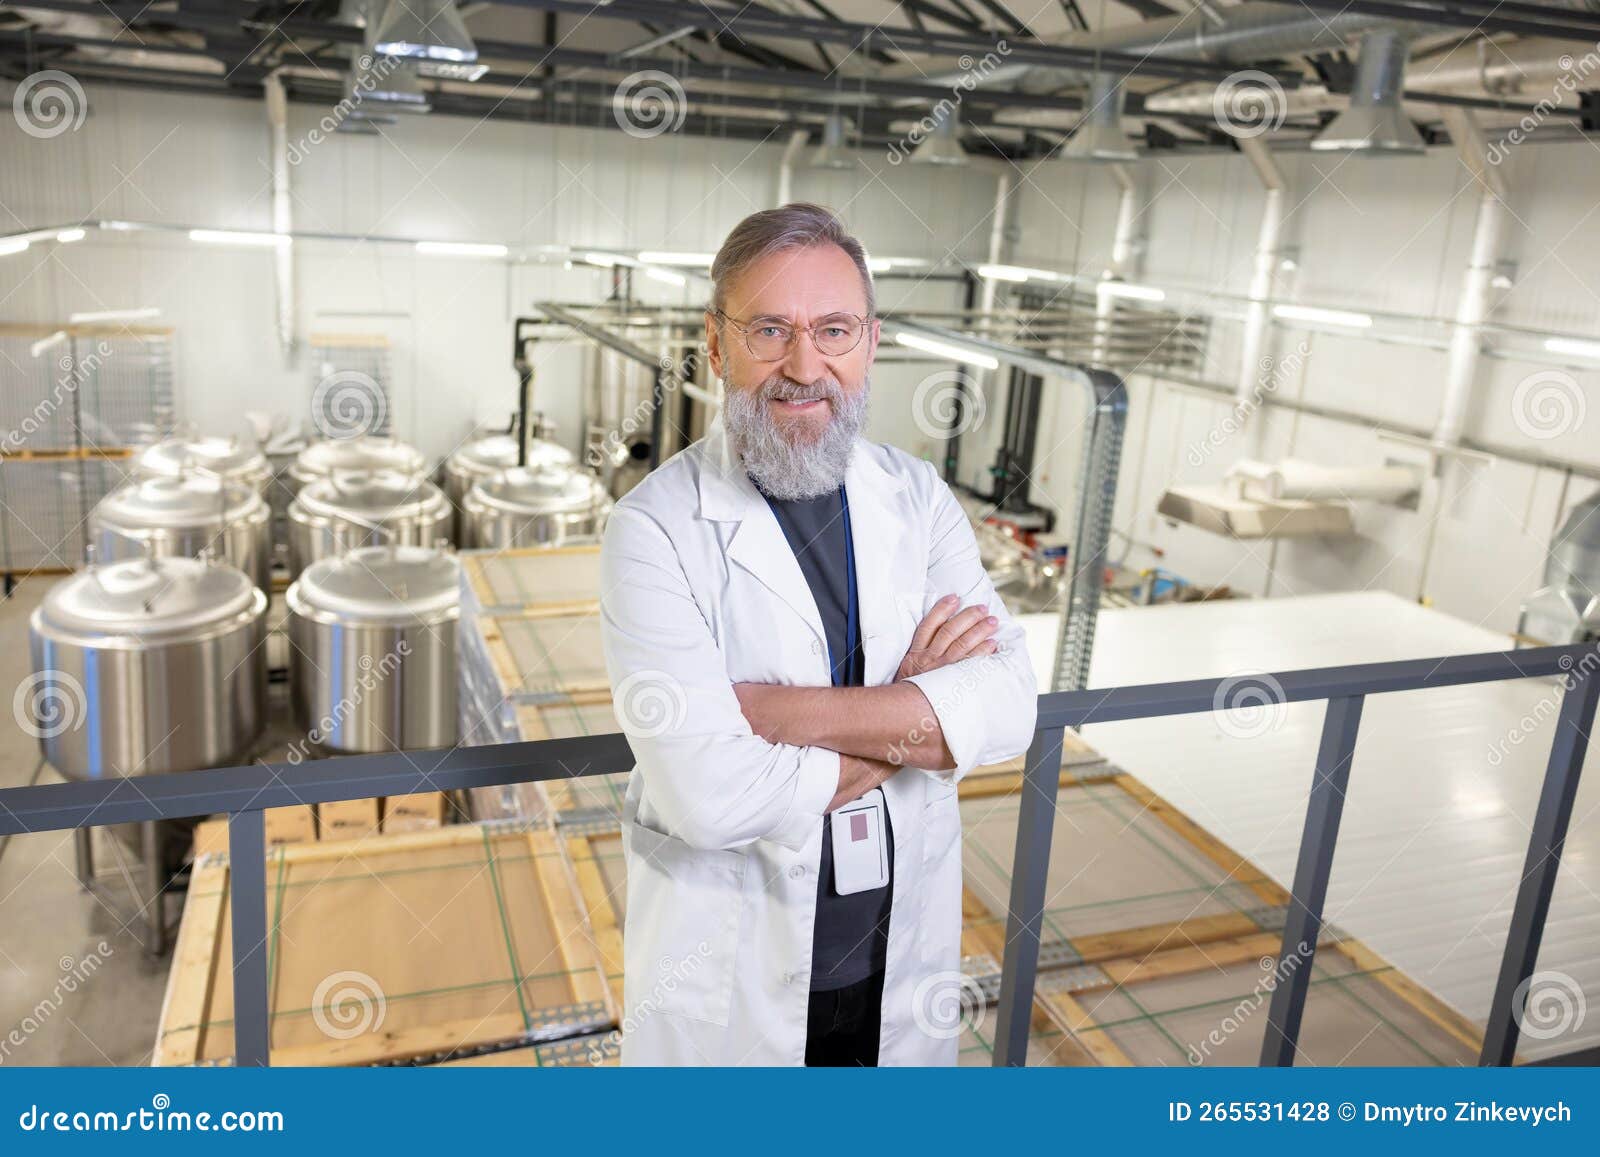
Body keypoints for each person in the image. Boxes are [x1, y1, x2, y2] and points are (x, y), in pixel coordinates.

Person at [599, 202, 1037, 1066]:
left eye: (833, 329)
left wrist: (772, 713)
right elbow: (706, 792)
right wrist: (915, 717)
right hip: (732, 978)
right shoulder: (652, 529)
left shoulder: (917, 498)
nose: (806, 365)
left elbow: (1010, 703)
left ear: (870, 341)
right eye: (770, 330)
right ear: (717, 346)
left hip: (895, 963)